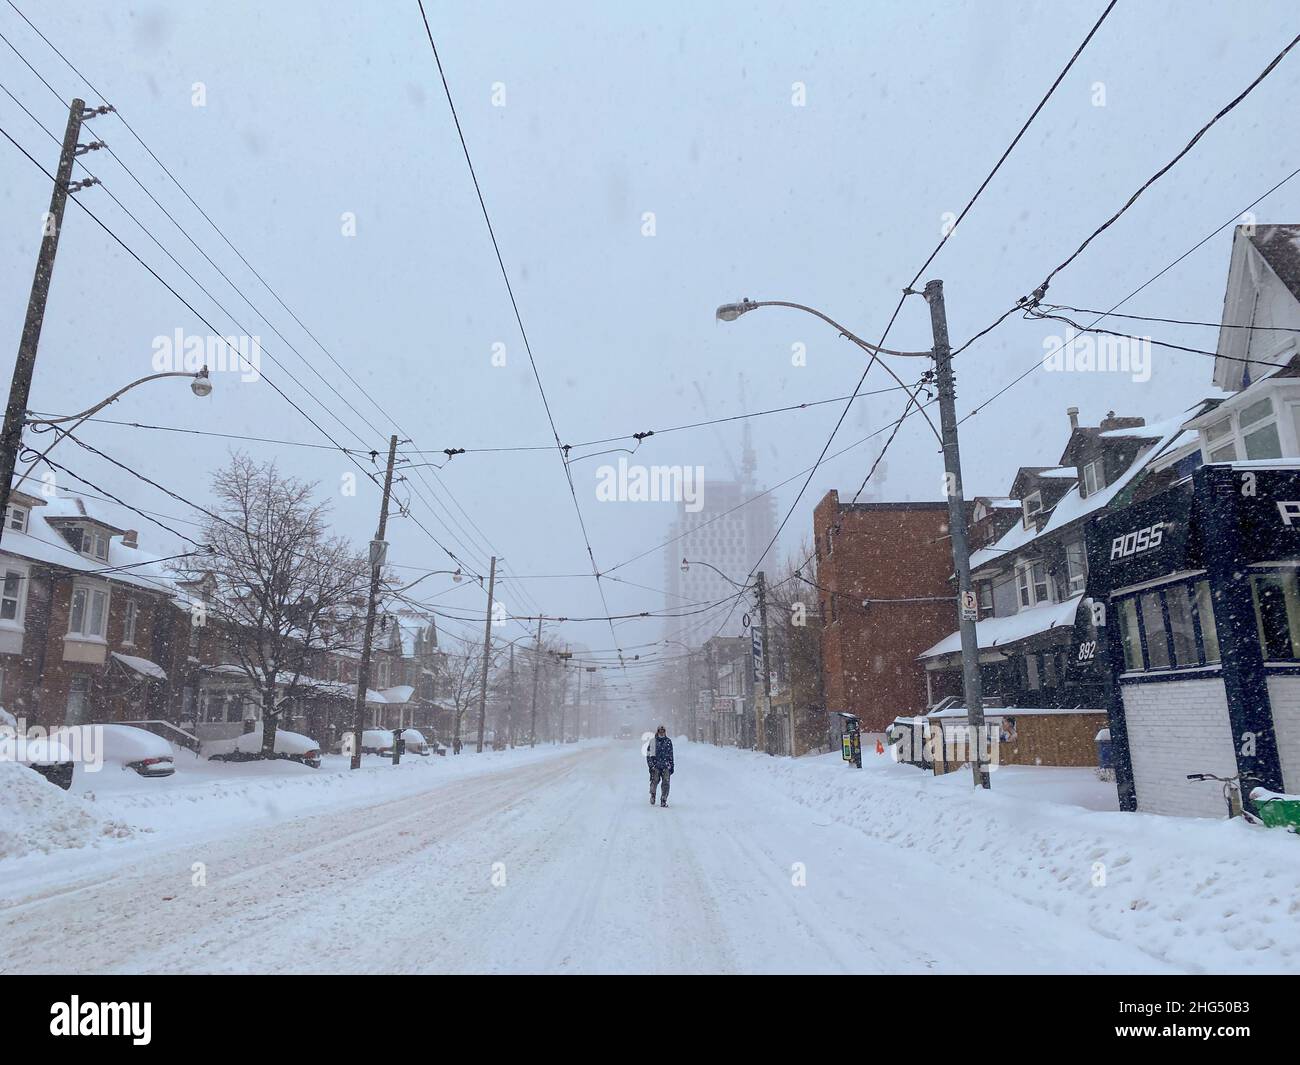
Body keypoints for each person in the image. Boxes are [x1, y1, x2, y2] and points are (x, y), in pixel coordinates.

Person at [647, 725, 674, 808]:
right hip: (656, 766)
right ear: (657, 732)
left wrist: (671, 766)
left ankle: (663, 799)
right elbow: (648, 755)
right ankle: (653, 795)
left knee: (666, 783)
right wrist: (651, 766)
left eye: (663, 731)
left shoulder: (668, 742)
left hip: (666, 766)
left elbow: (671, 755)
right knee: (654, 781)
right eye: (660, 731)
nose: (662, 733)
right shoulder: (653, 742)